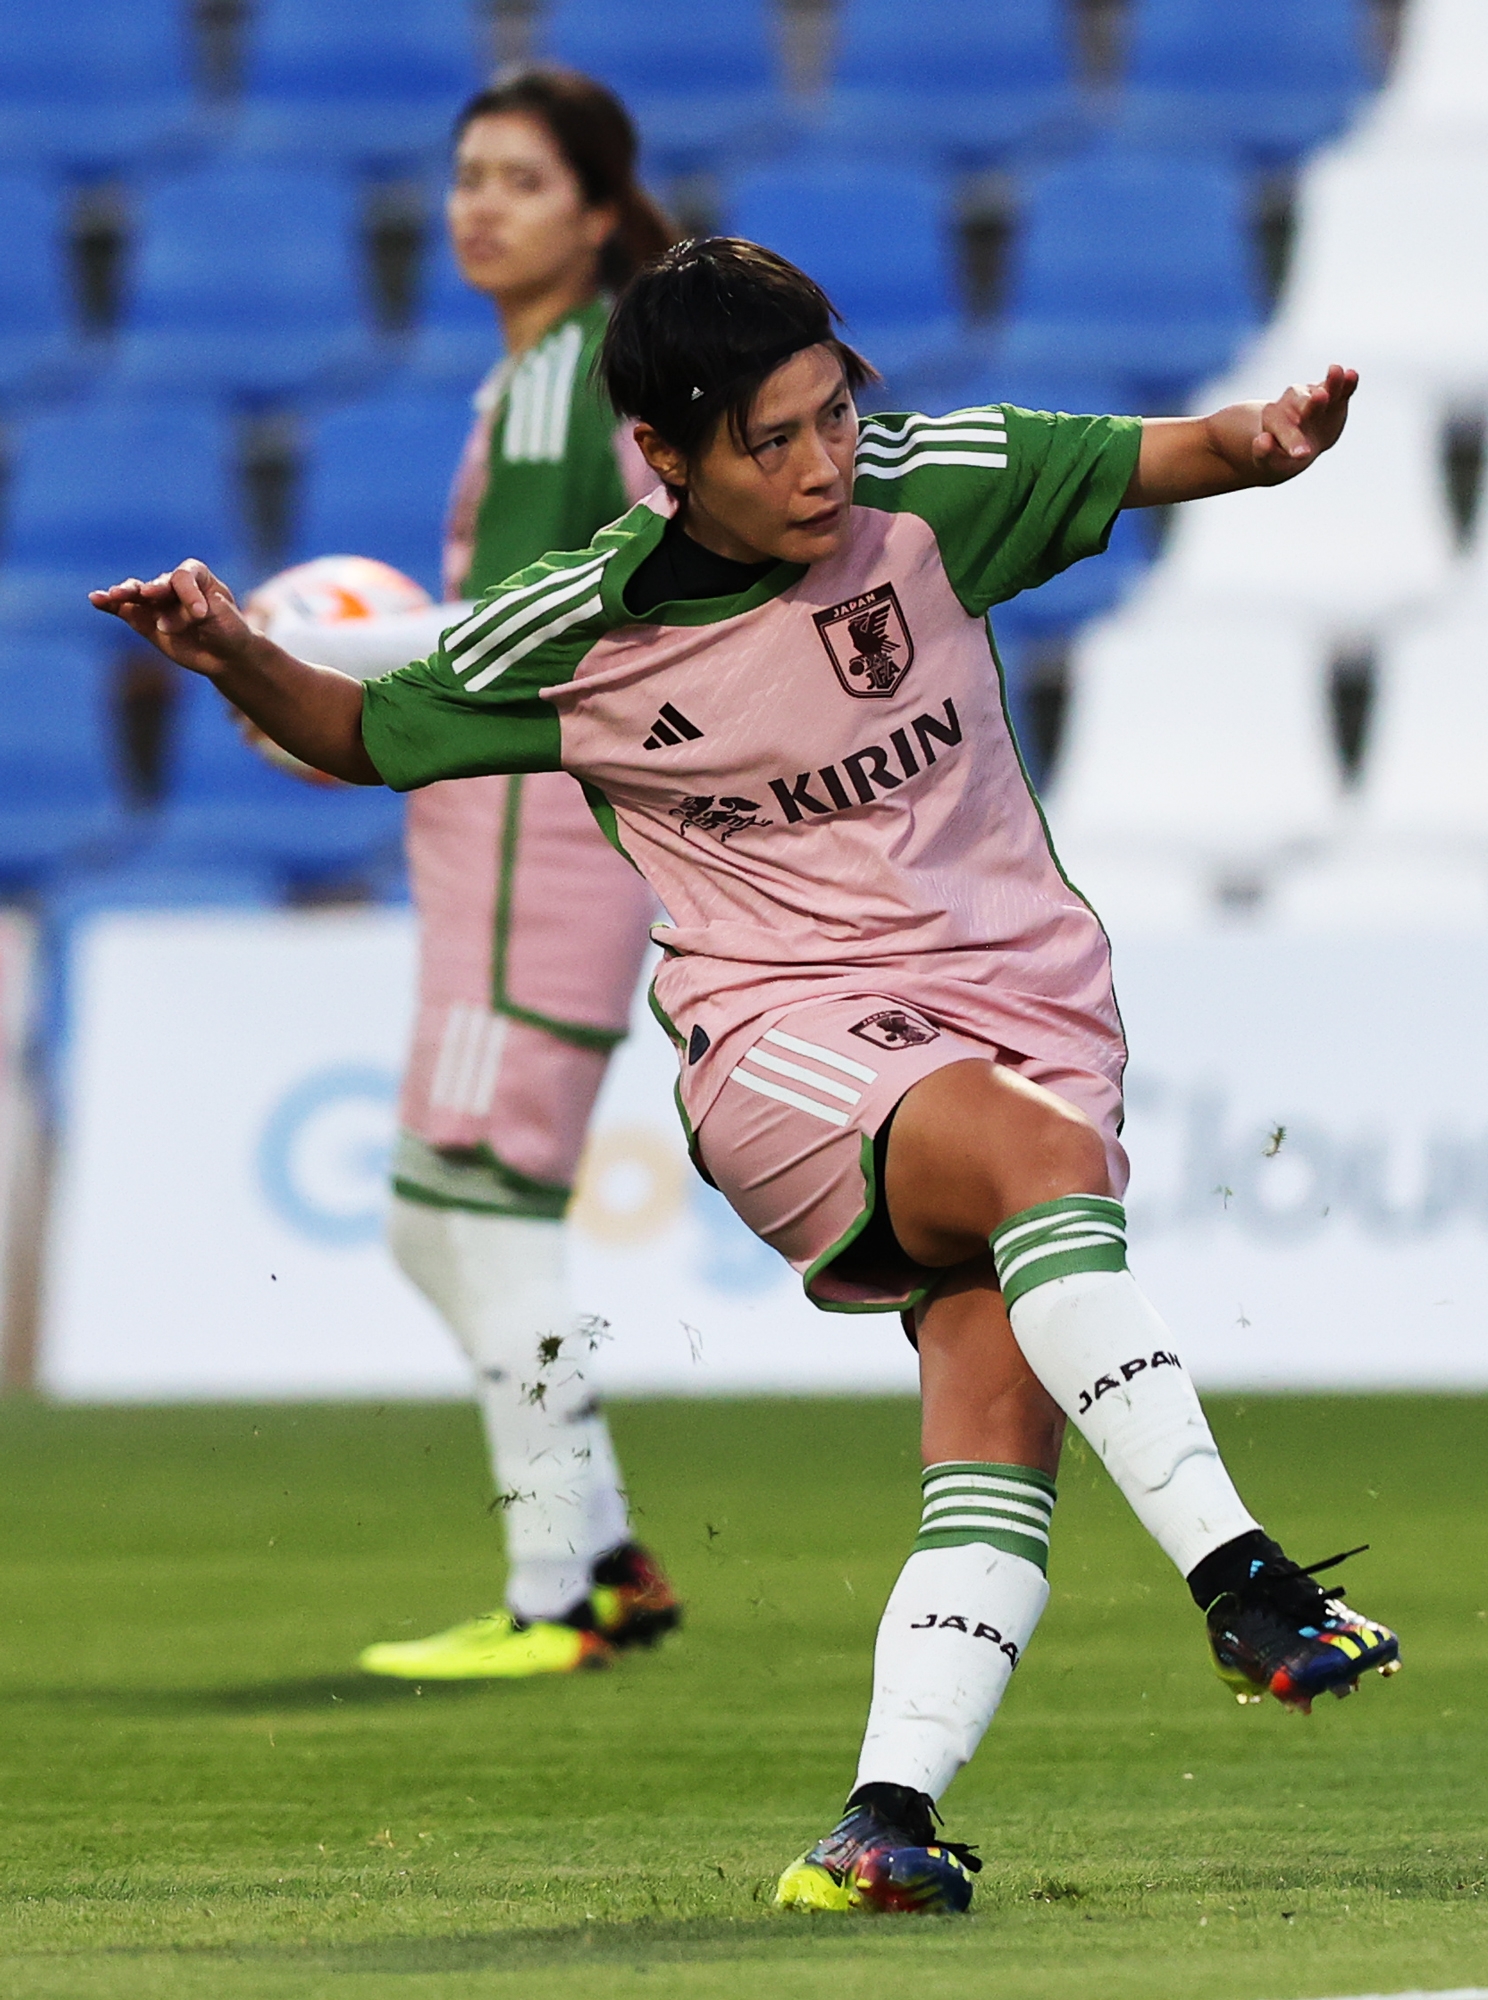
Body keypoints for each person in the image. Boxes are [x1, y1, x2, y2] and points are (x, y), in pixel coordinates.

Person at [92, 237, 1400, 1913]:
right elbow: (367, 734)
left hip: (1027, 1009)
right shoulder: (582, 626)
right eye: (768, 439)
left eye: (829, 414)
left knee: (998, 1427)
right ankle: (1243, 1579)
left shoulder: (931, 496)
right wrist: (234, 658)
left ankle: (878, 1823)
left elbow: (1169, 454)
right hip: (780, 1043)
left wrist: (1270, 437)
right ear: (667, 457)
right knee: (1035, 1173)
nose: (818, 462)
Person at [261, 69, 681, 1679]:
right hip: (529, 835)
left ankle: (559, 1586)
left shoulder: (569, 379)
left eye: (517, 180)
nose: (479, 207)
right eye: (465, 179)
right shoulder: (557, 371)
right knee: (446, 1214)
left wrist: (302, 670)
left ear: (591, 211)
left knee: (468, 1200)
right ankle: (604, 1557)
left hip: (532, 839)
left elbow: (516, 633)